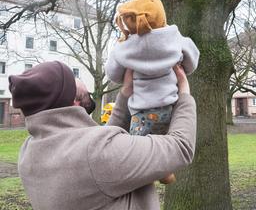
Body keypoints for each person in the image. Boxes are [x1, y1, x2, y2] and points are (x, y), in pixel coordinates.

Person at [9, 61, 196, 210]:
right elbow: (180, 147)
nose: (79, 81)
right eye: (74, 82)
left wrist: (125, 94)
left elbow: (100, 156)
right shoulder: (96, 154)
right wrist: (185, 94)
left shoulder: (28, 152)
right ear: (73, 103)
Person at [105, 0, 199, 137]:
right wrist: (181, 67)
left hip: (139, 114)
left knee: (141, 152)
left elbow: (112, 74)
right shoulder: (174, 38)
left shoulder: (124, 47)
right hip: (169, 108)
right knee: (170, 148)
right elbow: (193, 61)